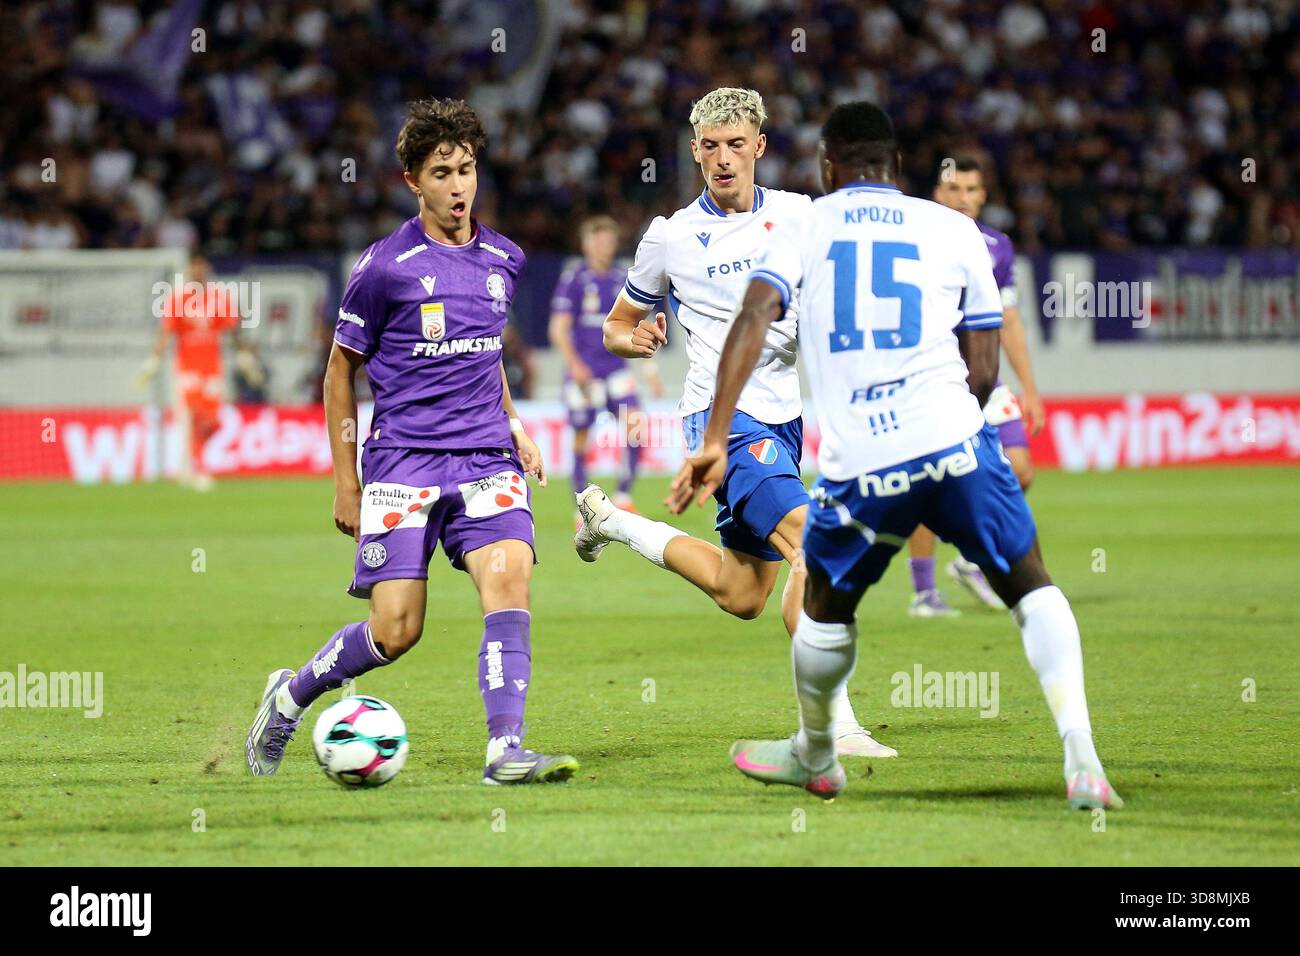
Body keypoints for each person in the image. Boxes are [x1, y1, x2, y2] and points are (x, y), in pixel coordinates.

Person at [670, 101, 1121, 810]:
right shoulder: (953, 228)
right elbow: (982, 368)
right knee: (1032, 585)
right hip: (952, 438)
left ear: (827, 168)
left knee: (820, 605)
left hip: (862, 463)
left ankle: (817, 755)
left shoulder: (803, 226)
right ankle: (1083, 760)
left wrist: (716, 435)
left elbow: (752, 320)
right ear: (901, 168)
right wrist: (951, 441)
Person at [246, 98, 578, 786]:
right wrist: (345, 480)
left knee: (509, 578)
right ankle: (288, 697)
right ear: (412, 182)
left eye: (467, 169)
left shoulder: (504, 259)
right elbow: (340, 371)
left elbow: (485, 355)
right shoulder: (385, 268)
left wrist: (517, 428)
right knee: (395, 631)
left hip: (486, 457)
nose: (459, 186)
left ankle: (505, 750)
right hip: (403, 463)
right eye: (442, 173)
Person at [573, 87, 892, 758]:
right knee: (816, 546)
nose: (723, 159)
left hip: (783, 419)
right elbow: (616, 325)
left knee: (743, 591)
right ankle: (833, 723)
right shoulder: (671, 236)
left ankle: (614, 522)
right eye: (711, 147)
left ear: (759, 147)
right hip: (720, 421)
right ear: (694, 151)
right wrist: (631, 340)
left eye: (736, 145)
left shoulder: (802, 215)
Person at [906, 155, 1045, 617]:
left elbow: (1008, 320)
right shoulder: (915, 237)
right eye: (954, 190)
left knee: (1020, 468)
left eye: (971, 190)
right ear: (938, 194)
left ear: (983, 196)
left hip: (985, 377)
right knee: (929, 484)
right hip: (933, 378)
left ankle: (969, 560)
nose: (963, 199)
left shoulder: (997, 246)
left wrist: (1031, 389)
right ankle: (925, 591)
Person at [548, 215, 660, 511]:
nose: (602, 247)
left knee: (635, 426)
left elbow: (640, 326)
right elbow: (558, 329)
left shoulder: (623, 277)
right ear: (586, 245)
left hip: (616, 370)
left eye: (608, 241)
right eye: (596, 241)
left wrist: (650, 371)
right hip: (584, 372)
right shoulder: (574, 279)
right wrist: (574, 365)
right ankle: (582, 507)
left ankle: (623, 496)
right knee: (582, 436)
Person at [137, 254, 238, 491]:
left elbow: (232, 329)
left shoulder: (218, 297)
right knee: (192, 418)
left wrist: (244, 356)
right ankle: (194, 468)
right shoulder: (178, 298)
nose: (198, 270)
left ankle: (190, 466)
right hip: (187, 369)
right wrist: (155, 359)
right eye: (194, 266)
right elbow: (167, 331)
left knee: (213, 421)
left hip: (213, 369)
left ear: (207, 268)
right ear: (189, 269)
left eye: (202, 265)